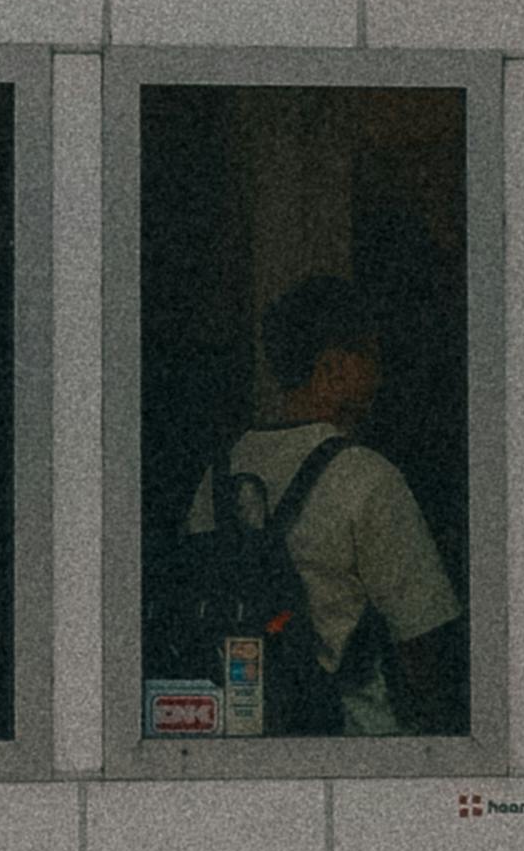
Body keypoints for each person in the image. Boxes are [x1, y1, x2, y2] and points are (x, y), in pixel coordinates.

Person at [199, 270, 465, 733]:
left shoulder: (221, 475)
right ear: (334, 368)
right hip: (358, 744)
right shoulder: (368, 479)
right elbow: (424, 644)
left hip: (242, 736)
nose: (380, 379)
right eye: (372, 359)